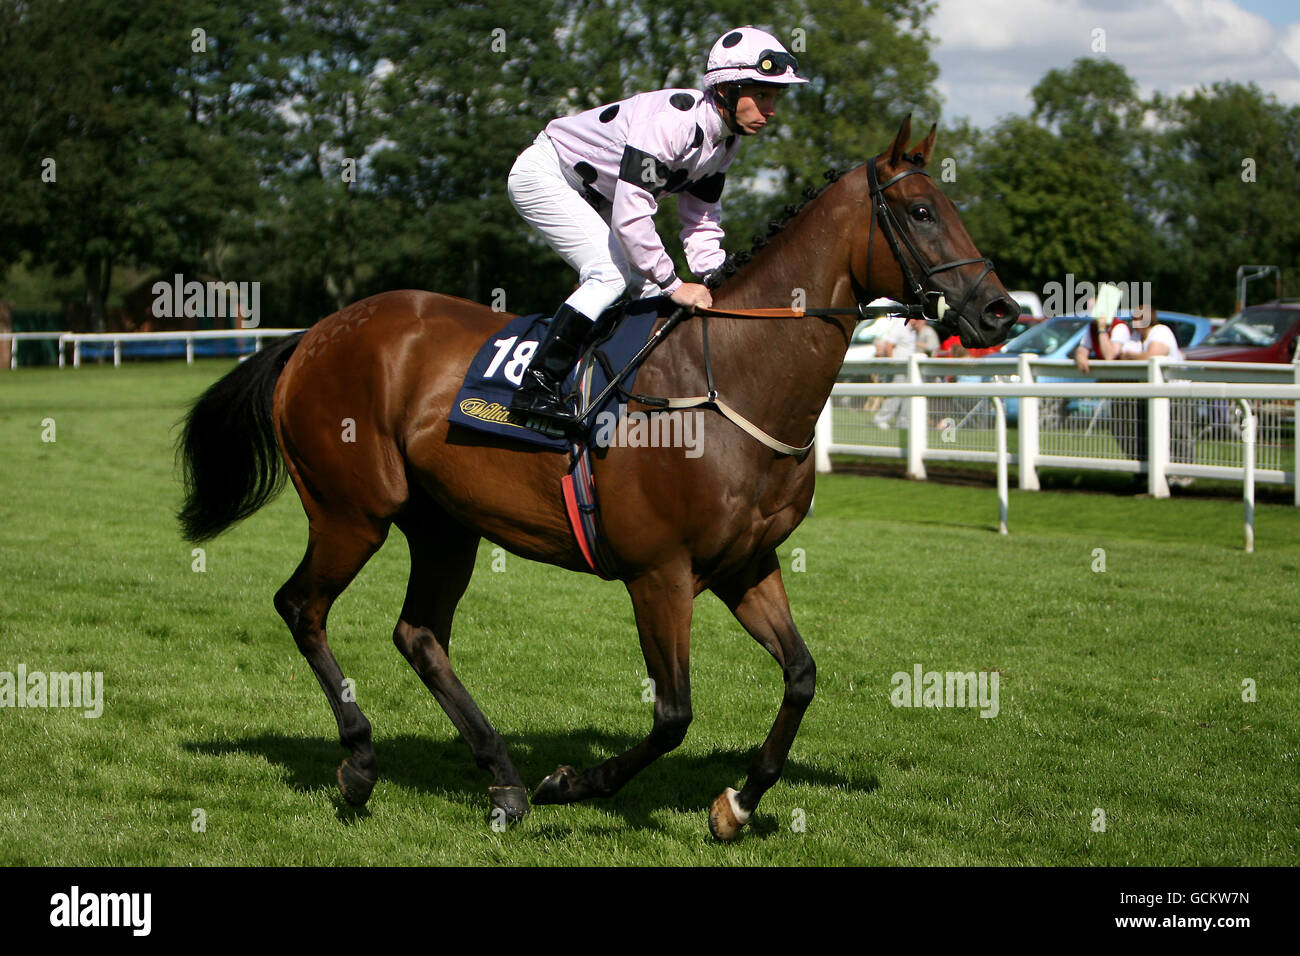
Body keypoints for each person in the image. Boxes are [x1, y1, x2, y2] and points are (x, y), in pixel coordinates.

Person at [505, 26, 807, 433]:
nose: (771, 110)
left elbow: (701, 218)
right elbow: (631, 216)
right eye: (763, 94)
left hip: (598, 198)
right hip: (547, 176)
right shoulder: (674, 125)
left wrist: (716, 274)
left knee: (649, 295)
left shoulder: (723, 145)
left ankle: (611, 393)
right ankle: (535, 387)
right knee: (612, 275)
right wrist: (673, 282)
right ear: (727, 90)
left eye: (775, 97)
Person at [873, 315, 928, 430]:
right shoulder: (901, 326)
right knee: (895, 394)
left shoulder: (912, 330)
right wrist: (892, 363)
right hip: (899, 368)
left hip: (908, 368)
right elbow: (888, 344)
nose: (920, 322)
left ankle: (903, 422)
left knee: (907, 396)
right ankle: (881, 419)